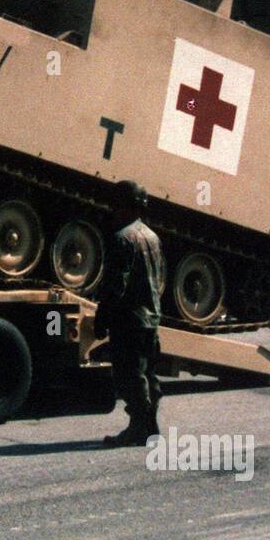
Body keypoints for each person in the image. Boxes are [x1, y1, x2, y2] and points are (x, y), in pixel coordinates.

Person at [96, 180, 166, 447]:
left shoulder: (122, 238)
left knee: (129, 374)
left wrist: (103, 317)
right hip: (151, 318)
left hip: (129, 319)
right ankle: (149, 424)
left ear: (123, 206)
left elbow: (116, 285)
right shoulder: (152, 237)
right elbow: (161, 281)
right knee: (147, 373)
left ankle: (139, 427)